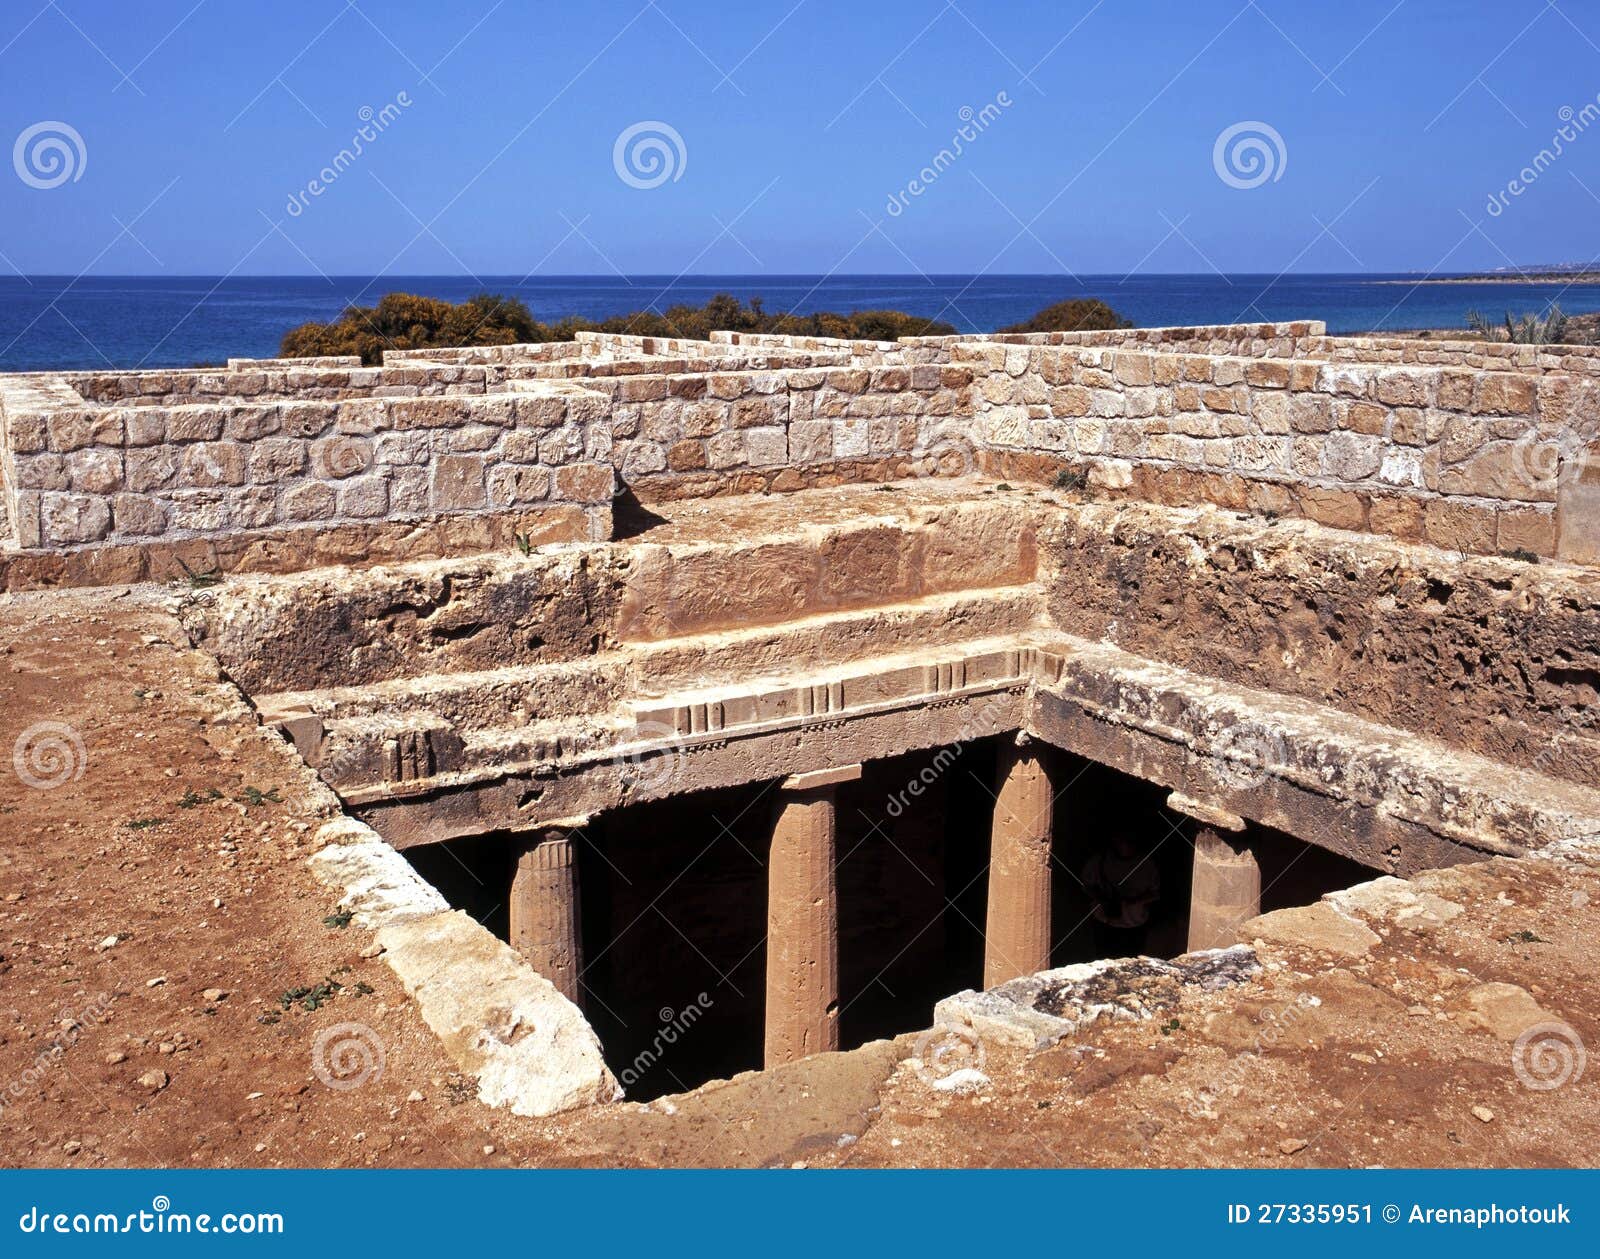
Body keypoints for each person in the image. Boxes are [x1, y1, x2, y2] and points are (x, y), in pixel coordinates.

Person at [1082, 834, 1161, 958]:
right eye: (1121, 840)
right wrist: (1103, 899)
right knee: (1104, 962)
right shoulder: (1100, 861)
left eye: (1129, 841)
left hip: (1134, 924)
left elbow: (1156, 893)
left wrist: (1134, 901)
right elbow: (1086, 886)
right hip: (1105, 923)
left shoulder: (1147, 864)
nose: (1125, 845)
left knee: (1132, 964)